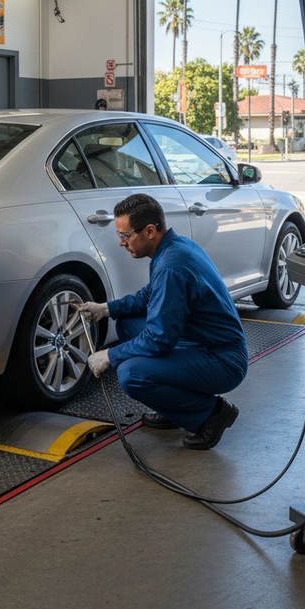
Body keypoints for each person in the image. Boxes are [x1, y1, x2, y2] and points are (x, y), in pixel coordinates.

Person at [78, 193, 248, 450]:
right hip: (200, 342)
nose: (122, 243)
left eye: (126, 236)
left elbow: (159, 339)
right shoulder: (175, 247)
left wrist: (109, 355)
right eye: (119, 235)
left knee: (130, 374)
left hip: (222, 360)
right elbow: (150, 295)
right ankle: (176, 407)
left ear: (149, 231)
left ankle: (213, 413)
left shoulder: (172, 266)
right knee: (126, 323)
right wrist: (107, 309)